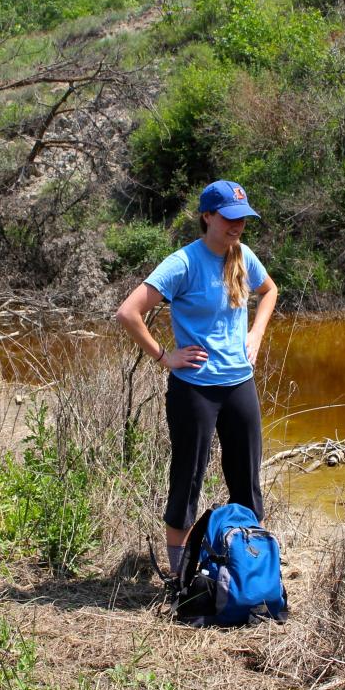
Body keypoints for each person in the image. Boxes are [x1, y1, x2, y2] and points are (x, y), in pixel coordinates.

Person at [114, 180, 279, 580]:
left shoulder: (243, 256)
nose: (237, 225)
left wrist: (255, 333)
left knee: (247, 481)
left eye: (242, 218)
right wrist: (164, 356)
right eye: (228, 217)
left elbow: (270, 290)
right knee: (188, 479)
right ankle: (180, 577)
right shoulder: (183, 263)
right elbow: (128, 313)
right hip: (195, 389)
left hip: (239, 383)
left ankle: (248, 570)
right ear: (207, 216)